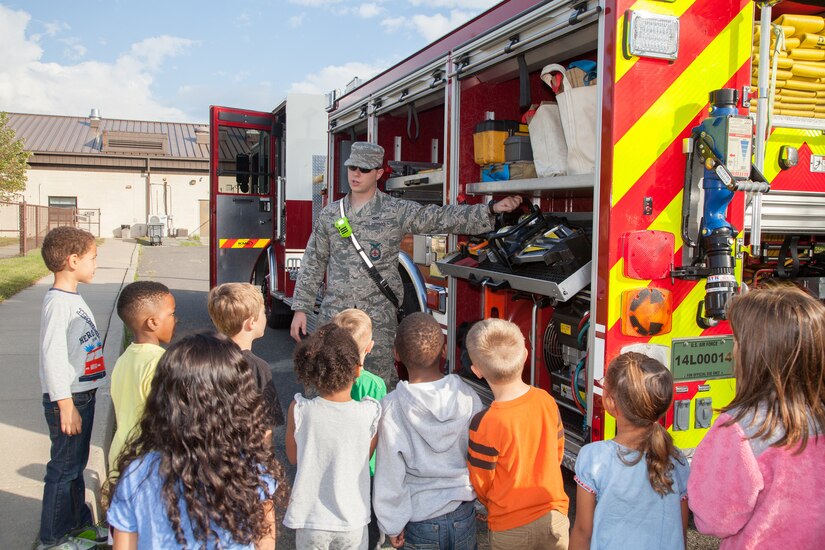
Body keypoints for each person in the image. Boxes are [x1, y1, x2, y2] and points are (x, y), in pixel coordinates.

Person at [290, 141, 523, 386]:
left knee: (379, 386)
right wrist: (301, 308)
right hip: (336, 316)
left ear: (379, 173)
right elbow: (314, 260)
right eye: (352, 167)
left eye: (364, 169)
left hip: (377, 320)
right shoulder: (331, 214)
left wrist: (490, 210)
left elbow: (439, 217)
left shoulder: (395, 211)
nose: (356, 174)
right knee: (327, 382)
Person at [107, 333, 285, 549]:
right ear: (239, 403)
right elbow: (265, 539)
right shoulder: (251, 469)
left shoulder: (137, 474)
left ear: (163, 399)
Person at [688, 285, 825, 549]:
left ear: (756, 355)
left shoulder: (739, 429)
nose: (733, 351)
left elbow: (713, 519)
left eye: (738, 342)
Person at [374, 312, 483, 550]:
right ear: (444, 351)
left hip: (419, 520)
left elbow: (390, 474)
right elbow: (480, 455)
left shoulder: (392, 407)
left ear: (396, 355)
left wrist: (391, 524)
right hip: (463, 515)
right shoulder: (467, 396)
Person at [465, 318, 568, 550]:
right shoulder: (546, 401)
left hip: (510, 527)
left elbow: (481, 481)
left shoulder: (485, 423)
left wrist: (491, 503)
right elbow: (557, 453)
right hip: (555, 517)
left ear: (477, 371)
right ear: (525, 354)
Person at [569, 352, 690, 550]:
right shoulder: (678, 460)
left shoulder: (594, 458)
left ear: (609, 402)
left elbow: (583, 532)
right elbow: (680, 531)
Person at [38, 226, 107, 549]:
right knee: (64, 469)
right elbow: (52, 358)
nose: (96, 264)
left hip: (82, 395)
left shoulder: (71, 297)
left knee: (75, 466)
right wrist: (65, 404)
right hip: (70, 399)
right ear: (72, 260)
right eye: (92, 259)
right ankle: (53, 537)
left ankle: (78, 524)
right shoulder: (58, 304)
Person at [284, 323, 382, 550]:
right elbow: (364, 457)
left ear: (311, 371)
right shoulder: (370, 412)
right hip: (353, 520)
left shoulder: (300, 410)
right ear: (358, 371)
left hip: (310, 520)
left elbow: (292, 457)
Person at [330, 308, 387, 550]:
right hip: (369, 468)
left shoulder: (327, 378)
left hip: (336, 462)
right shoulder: (375, 384)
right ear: (370, 346)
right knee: (368, 519)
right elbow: (380, 427)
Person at [108, 281, 176, 473]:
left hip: (120, 456)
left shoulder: (125, 358)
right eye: (171, 314)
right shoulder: (161, 362)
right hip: (147, 464)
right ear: (152, 322)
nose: (175, 319)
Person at [208, 282, 285, 429]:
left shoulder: (205, 360)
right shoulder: (258, 367)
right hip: (244, 447)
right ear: (251, 323)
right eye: (263, 312)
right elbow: (266, 425)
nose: (265, 316)